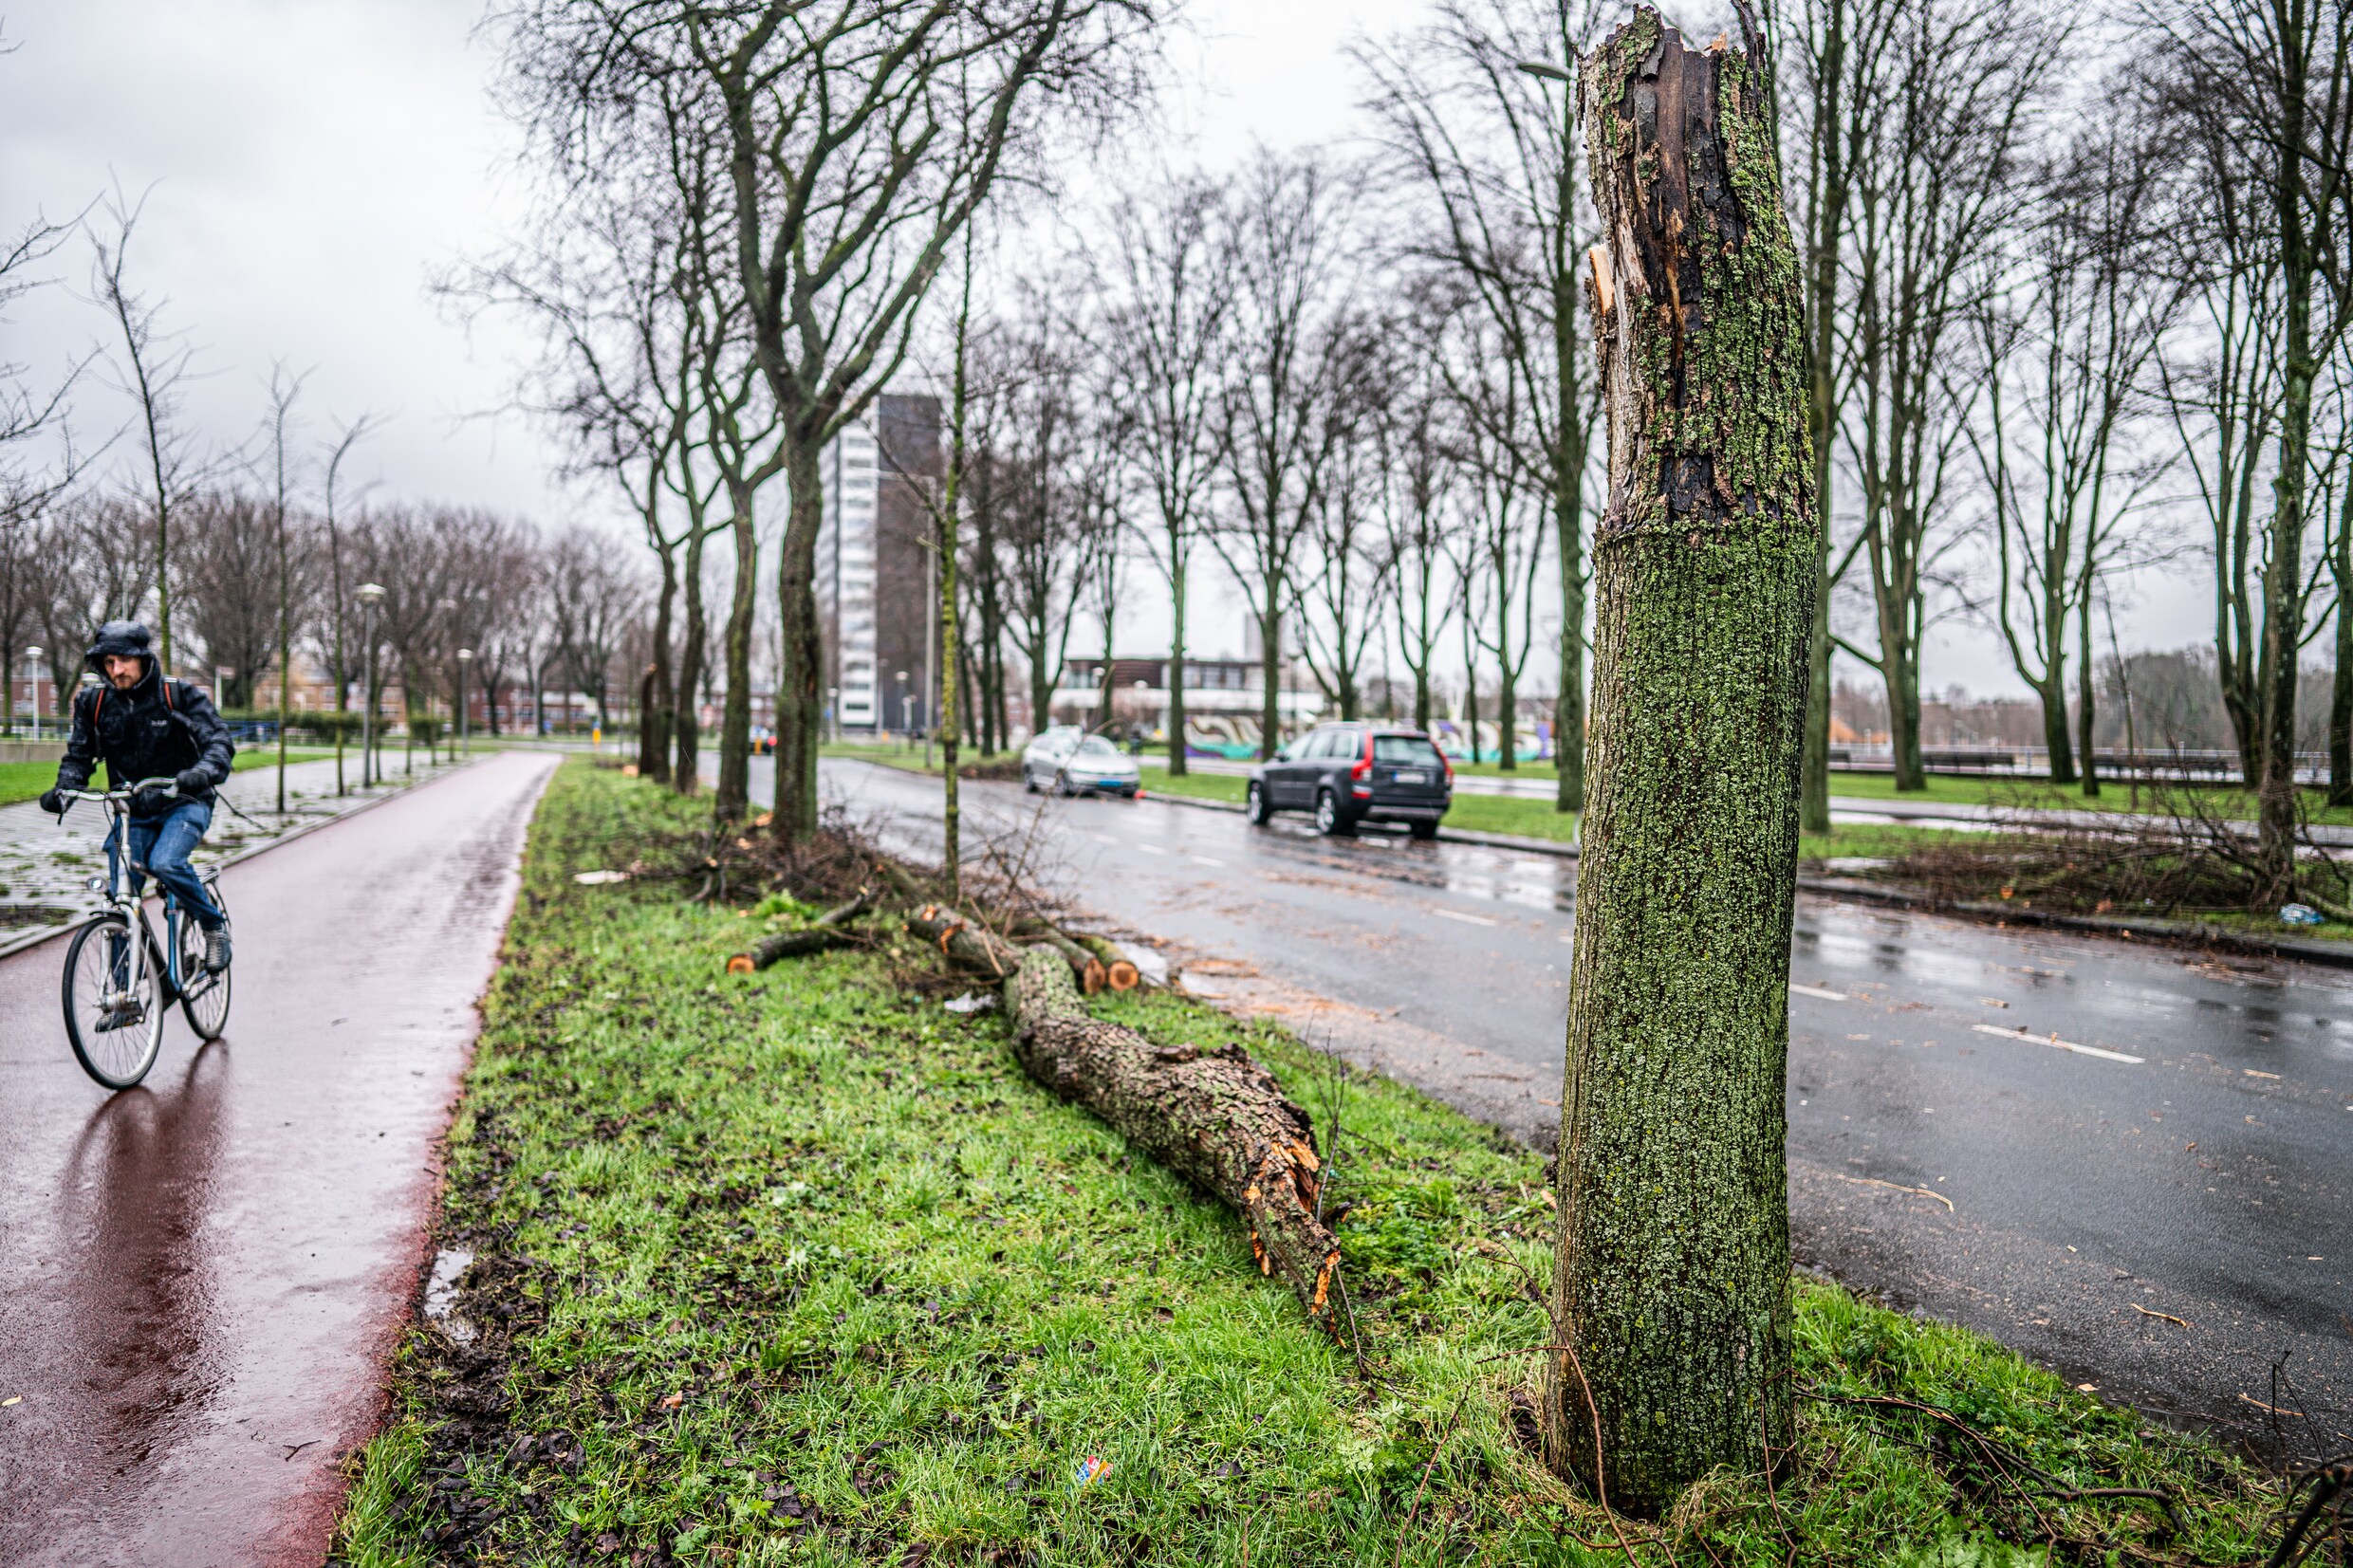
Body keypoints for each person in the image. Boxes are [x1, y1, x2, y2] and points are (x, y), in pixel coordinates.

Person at [38, 620, 237, 971]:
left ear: (143, 659)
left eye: (123, 661)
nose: (116, 670)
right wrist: (65, 788)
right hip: (132, 811)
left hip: (184, 803)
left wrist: (201, 773)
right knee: (121, 899)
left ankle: (213, 926)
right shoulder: (94, 702)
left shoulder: (178, 695)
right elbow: (79, 755)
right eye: (108, 663)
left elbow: (218, 742)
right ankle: (121, 996)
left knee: (165, 862)